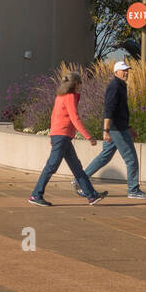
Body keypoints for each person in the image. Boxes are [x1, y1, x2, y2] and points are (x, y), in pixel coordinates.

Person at [75, 59, 146, 199]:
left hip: (119, 128)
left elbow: (120, 111)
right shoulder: (115, 86)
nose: (126, 72)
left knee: (104, 157)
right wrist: (106, 130)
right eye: (123, 70)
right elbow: (109, 109)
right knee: (131, 159)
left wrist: (129, 127)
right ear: (116, 72)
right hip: (117, 130)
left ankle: (80, 180)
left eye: (127, 70)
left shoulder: (121, 86)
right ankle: (133, 190)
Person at [29, 73, 107, 207]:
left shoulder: (61, 96)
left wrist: (52, 134)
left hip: (61, 136)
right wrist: (89, 137)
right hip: (62, 136)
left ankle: (91, 195)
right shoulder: (69, 97)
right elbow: (75, 118)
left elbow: (53, 116)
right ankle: (36, 195)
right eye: (79, 83)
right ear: (75, 84)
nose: (80, 86)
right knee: (51, 166)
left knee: (76, 167)